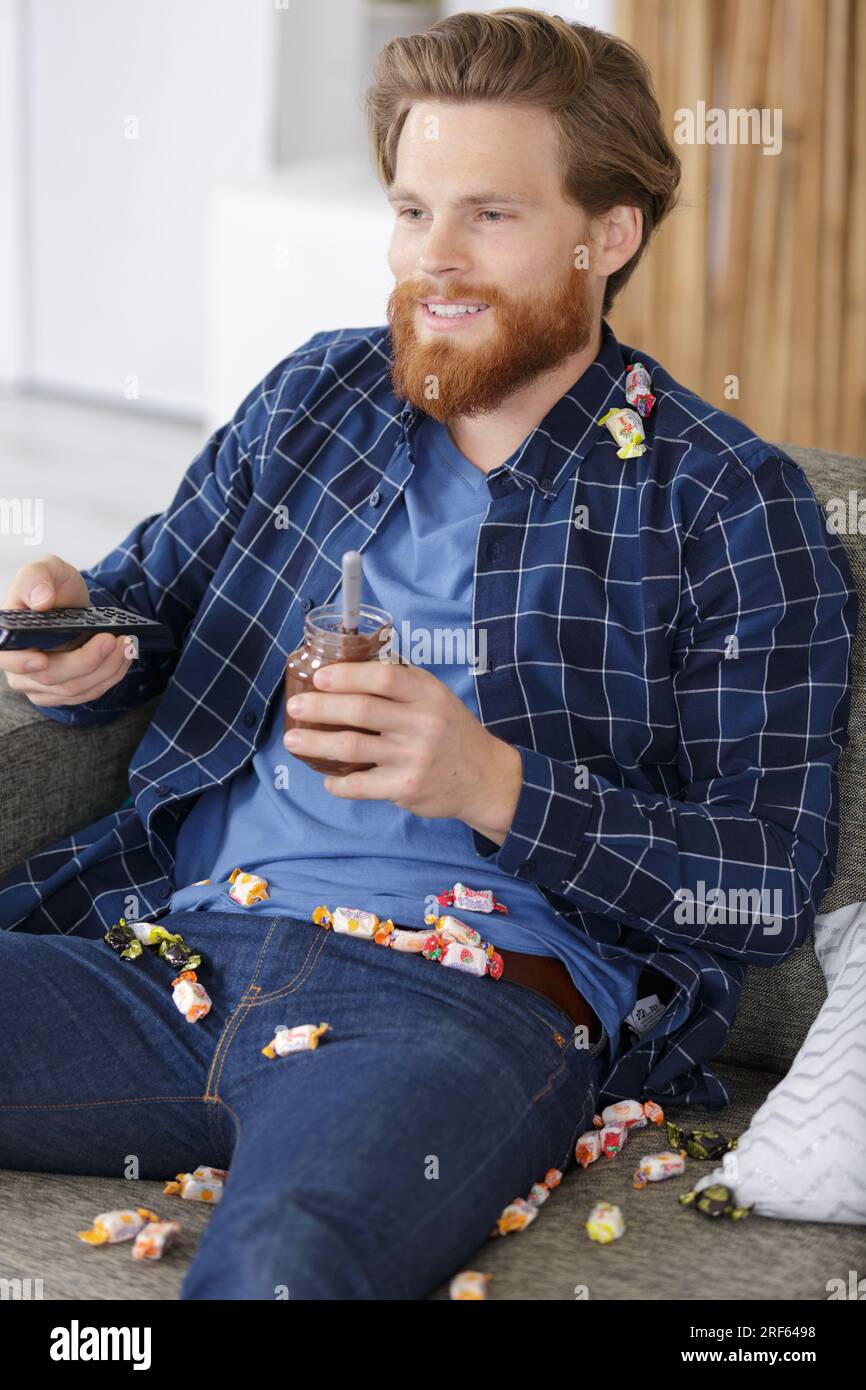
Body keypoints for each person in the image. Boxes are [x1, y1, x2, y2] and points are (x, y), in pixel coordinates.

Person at [0, 9, 857, 1300]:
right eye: (410, 211)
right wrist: (80, 644)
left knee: (285, 1264)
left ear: (604, 234)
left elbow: (763, 880)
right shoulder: (317, 399)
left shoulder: (729, 505)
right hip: (167, 959)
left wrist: (492, 787)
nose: (432, 260)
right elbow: (143, 608)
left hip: (456, 1007)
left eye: (487, 217)